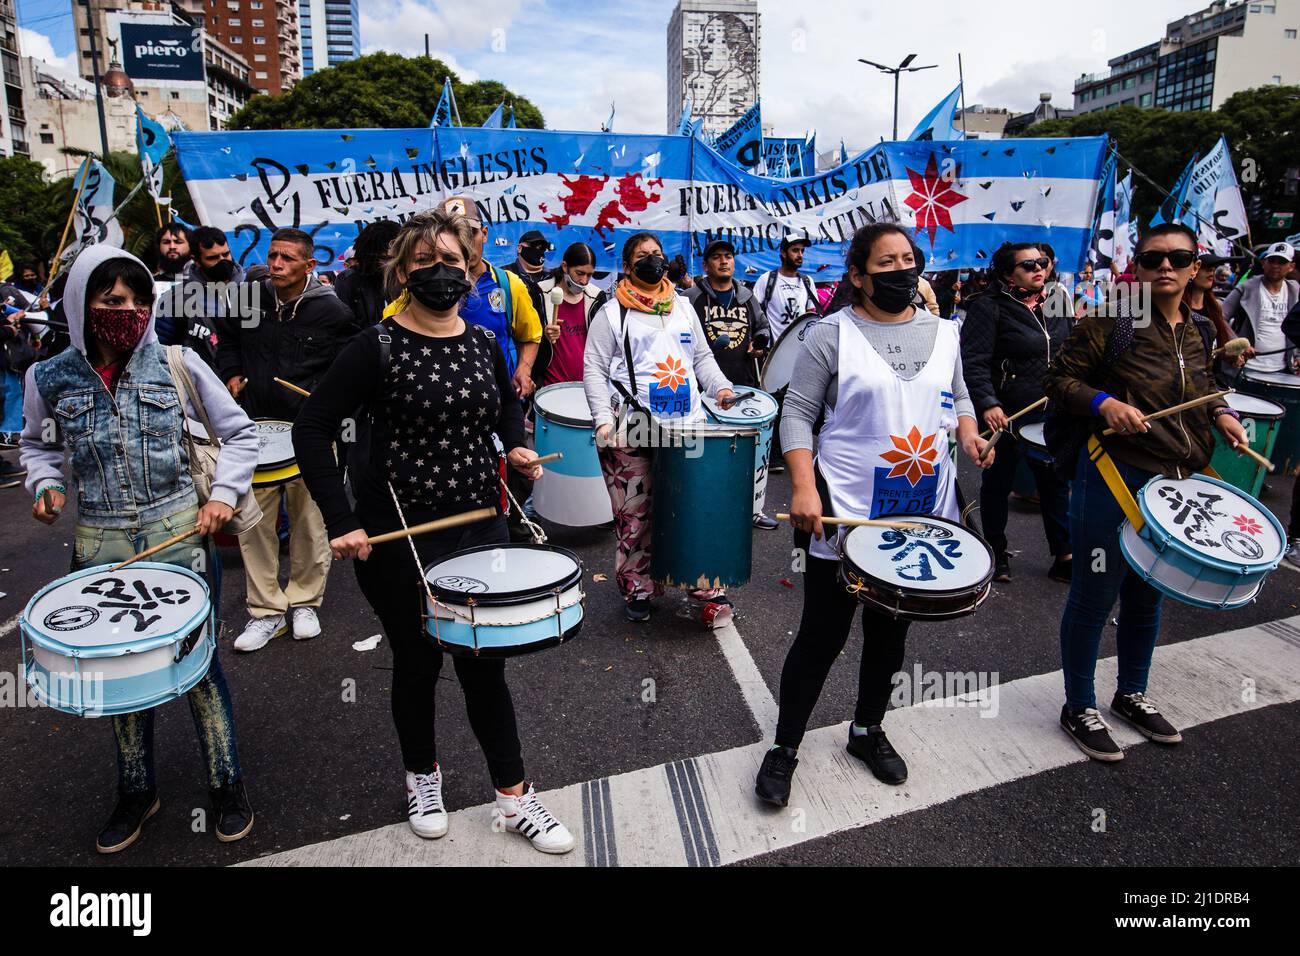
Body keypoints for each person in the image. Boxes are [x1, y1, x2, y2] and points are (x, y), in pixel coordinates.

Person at [292, 209, 573, 853]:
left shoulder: (479, 341)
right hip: (400, 539)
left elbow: (504, 402)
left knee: (484, 662)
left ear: (469, 269)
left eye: (451, 259)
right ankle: (423, 776)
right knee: (417, 662)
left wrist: (516, 444)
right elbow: (313, 427)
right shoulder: (376, 345)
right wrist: (343, 520)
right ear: (400, 273)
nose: (441, 272)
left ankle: (513, 795)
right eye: (424, 263)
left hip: (480, 525)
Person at [19, 245, 259, 852]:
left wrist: (223, 497)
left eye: (138, 299)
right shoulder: (47, 377)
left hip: (182, 538)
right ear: (80, 303)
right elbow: (37, 448)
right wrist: (46, 485)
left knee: (196, 665)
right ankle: (136, 790)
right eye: (110, 300)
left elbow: (239, 433)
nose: (127, 311)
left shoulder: (179, 363)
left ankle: (226, 784)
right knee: (121, 673)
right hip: (99, 547)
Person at [753, 223, 992, 806]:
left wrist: (969, 434)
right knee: (821, 636)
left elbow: (958, 396)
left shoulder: (945, 333)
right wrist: (803, 489)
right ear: (857, 276)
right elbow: (797, 416)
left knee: (890, 633)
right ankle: (785, 747)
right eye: (886, 263)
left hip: (919, 514)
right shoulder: (828, 335)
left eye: (909, 260)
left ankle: (868, 730)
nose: (902, 272)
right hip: (846, 514)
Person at [1044, 223, 1249, 762]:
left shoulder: (1201, 328)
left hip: (1174, 480)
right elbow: (1060, 382)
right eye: (1153, 257)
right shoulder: (1115, 318)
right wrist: (1102, 404)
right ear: (1136, 264)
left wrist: (1221, 412)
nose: (1165, 267)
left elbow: (1202, 387)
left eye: (1178, 258)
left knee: (1148, 591)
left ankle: (1131, 693)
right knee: (1095, 590)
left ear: (1194, 265)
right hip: (1113, 472)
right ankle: (1078, 704)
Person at [215, 227, 358, 652]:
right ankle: (265, 612)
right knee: (254, 526)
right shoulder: (248, 299)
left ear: (309, 266)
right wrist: (231, 373)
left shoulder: (332, 311)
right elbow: (228, 340)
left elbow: (348, 365)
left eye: (287, 259)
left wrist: (328, 401)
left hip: (309, 434)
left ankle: (305, 601)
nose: (276, 264)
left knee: (311, 522)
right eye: (274, 256)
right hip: (252, 431)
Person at [583, 231, 737, 625]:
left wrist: (720, 388)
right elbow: (595, 370)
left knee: (693, 507)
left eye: (657, 253)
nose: (652, 259)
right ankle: (639, 588)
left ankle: (705, 587)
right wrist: (603, 419)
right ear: (627, 265)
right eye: (642, 255)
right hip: (632, 427)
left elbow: (700, 356)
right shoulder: (612, 312)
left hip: (688, 424)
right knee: (637, 514)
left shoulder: (683, 307)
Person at [961, 242, 1073, 583]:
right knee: (998, 481)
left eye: (1043, 262)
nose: (1039, 268)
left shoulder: (1057, 299)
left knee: (1053, 482)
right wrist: (988, 403)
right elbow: (973, 363)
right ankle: (995, 548)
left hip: (1050, 410)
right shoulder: (988, 307)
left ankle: (1064, 554)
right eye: (1028, 265)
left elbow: (1069, 349)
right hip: (1006, 412)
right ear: (1008, 274)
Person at [1225, 242, 1300, 375]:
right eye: (1271, 261)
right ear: (1263, 263)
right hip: (1246, 368)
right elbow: (1220, 316)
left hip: (1283, 370)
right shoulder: (1247, 287)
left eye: (1282, 262)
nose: (1275, 266)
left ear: (1291, 266)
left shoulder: (1295, 290)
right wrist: (1237, 344)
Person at [537, 242, 606, 387]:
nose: (584, 281)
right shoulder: (540, 293)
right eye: (580, 273)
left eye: (590, 275)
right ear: (564, 267)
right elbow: (526, 339)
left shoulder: (596, 297)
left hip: (587, 388)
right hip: (550, 388)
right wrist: (544, 335)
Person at [753, 234, 820, 344]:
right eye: (795, 250)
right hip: (774, 352)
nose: (800, 255)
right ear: (783, 253)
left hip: (800, 350)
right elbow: (754, 313)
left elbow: (810, 316)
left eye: (802, 251)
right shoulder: (766, 279)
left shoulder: (808, 281)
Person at [334, 219, 401, 328]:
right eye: (384, 258)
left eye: (395, 258)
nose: (390, 264)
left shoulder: (409, 278)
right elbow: (344, 329)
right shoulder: (349, 280)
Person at [502, 229, 552, 314]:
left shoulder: (551, 276)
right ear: (519, 248)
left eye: (542, 248)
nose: (538, 250)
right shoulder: (504, 274)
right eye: (534, 245)